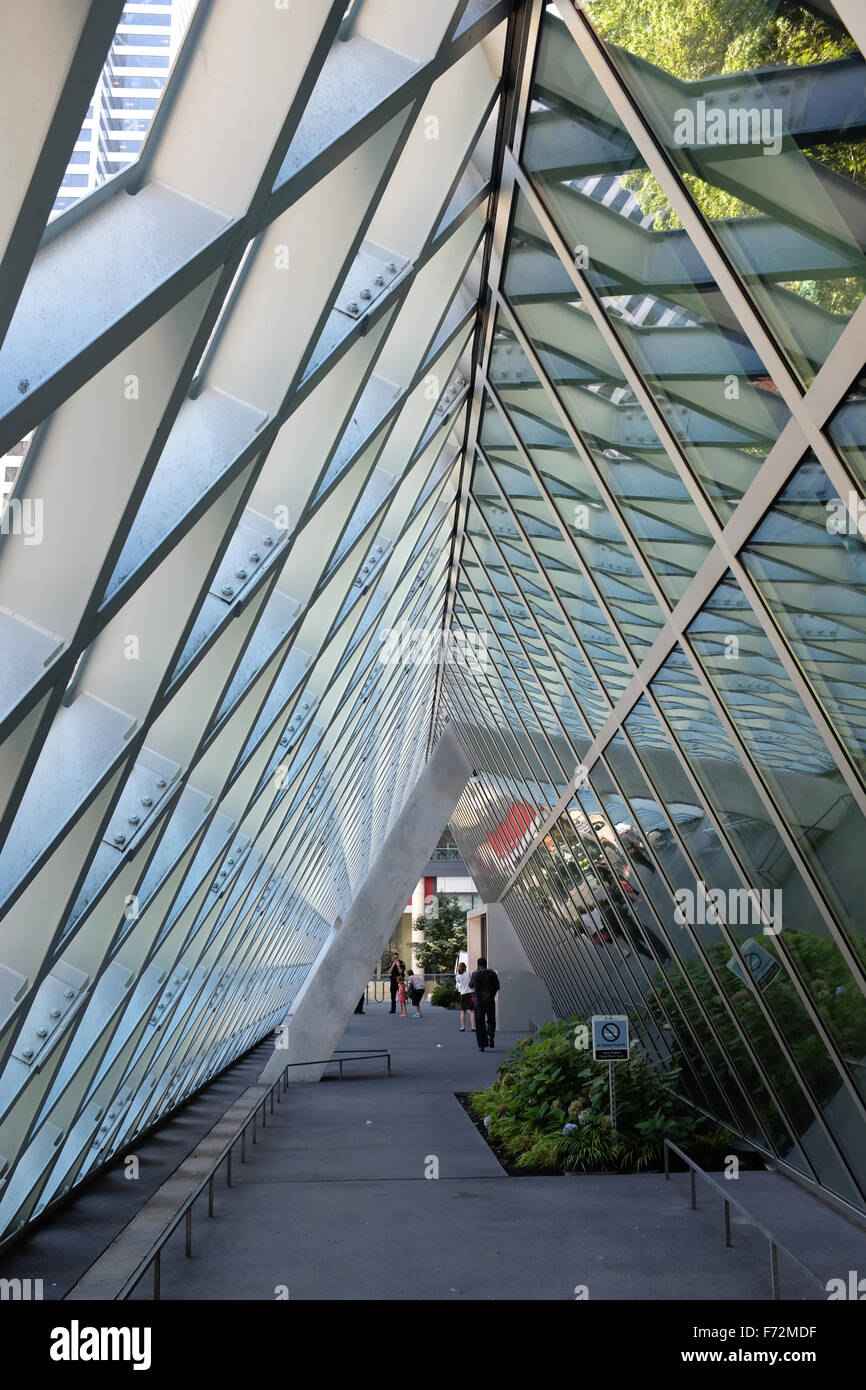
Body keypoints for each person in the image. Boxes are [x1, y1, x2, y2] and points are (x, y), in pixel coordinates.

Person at [470, 957, 500, 1052]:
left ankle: (482, 1045)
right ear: (486, 964)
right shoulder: (492, 973)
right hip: (490, 1000)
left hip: (479, 1001)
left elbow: (470, 985)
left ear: (478, 964)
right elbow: (497, 986)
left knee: (479, 1022)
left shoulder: (475, 974)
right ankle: (491, 1035)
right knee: (491, 1019)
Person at [455, 961, 475, 1033]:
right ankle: (473, 1027)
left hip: (463, 994)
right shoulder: (469, 973)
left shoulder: (458, 976)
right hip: (471, 994)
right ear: (465, 967)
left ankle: (463, 1027)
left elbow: (459, 984)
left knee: (463, 1011)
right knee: (472, 1011)